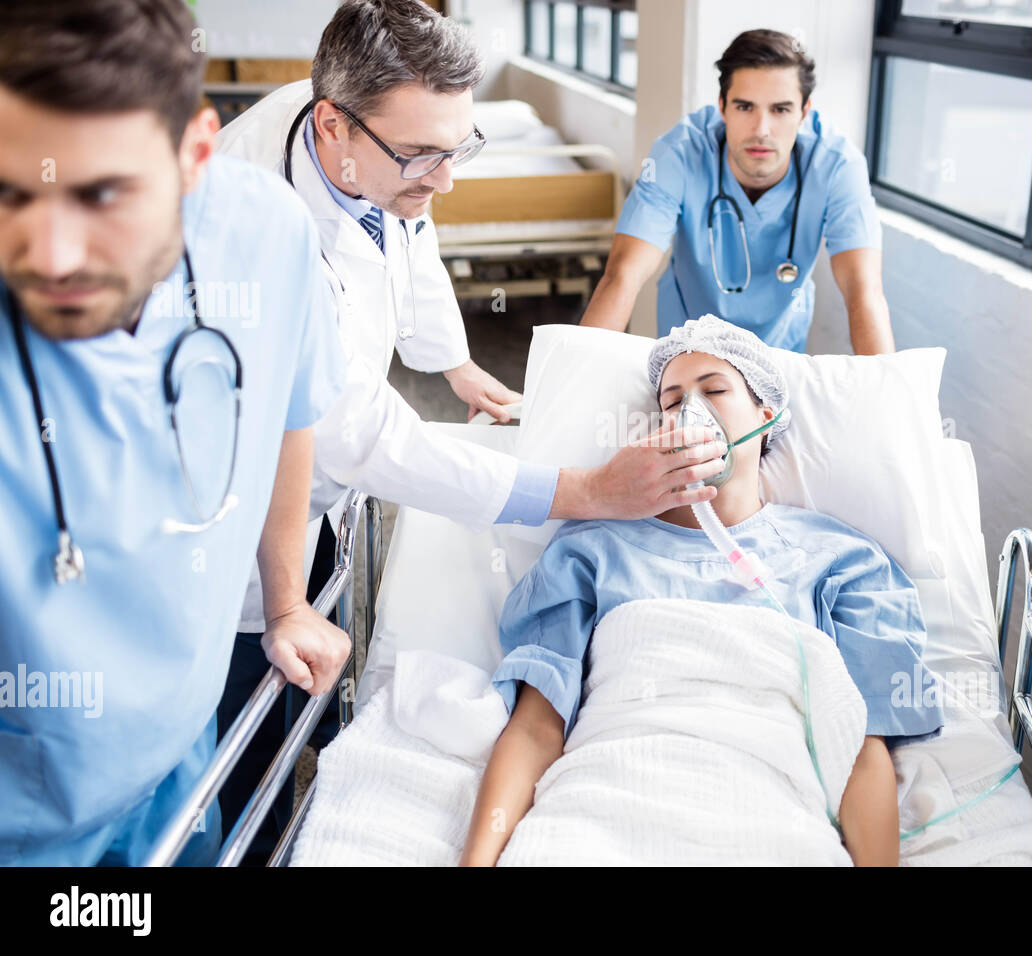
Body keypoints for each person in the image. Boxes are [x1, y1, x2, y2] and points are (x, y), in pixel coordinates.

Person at [212, 0, 729, 862]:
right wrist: (583, 492)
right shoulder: (263, 227)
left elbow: (405, 240)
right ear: (335, 124)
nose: (445, 180)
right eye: (421, 154)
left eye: (459, 147)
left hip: (312, 499)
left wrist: (451, 362)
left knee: (301, 675)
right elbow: (356, 434)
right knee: (243, 738)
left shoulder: (361, 146)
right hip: (231, 519)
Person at [0, 0, 349, 865]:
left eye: (103, 194)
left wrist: (286, 600)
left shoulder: (266, 234)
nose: (53, 253)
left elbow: (287, 411)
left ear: (196, 154)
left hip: (179, 770)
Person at [460, 316, 942, 866]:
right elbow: (535, 728)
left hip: (769, 808)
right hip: (606, 798)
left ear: (767, 416)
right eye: (671, 402)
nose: (691, 412)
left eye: (714, 389)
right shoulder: (593, 548)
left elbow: (860, 745)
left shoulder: (839, 559)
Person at [579, 29, 893, 355]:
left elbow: (864, 291)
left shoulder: (837, 165)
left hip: (780, 354)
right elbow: (623, 274)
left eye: (780, 110)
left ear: (804, 112)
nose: (761, 130)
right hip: (687, 351)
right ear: (722, 107)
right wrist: (570, 385)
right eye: (745, 107)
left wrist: (892, 400)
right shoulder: (679, 153)